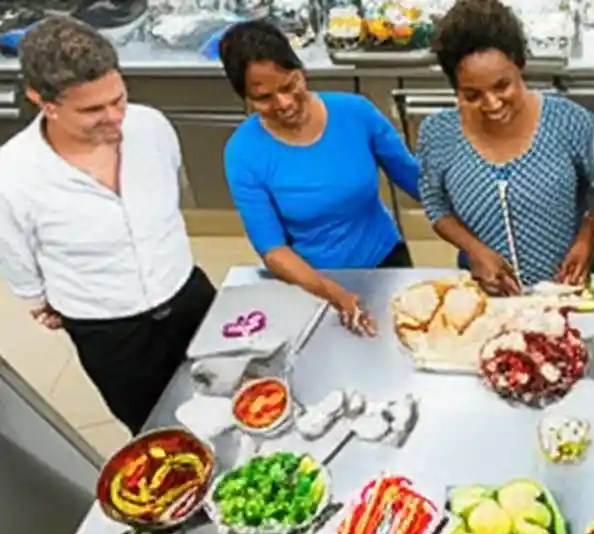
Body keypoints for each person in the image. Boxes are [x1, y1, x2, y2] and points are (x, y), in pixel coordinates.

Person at [0, 17, 213, 435]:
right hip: (112, 333)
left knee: (237, 396)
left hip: (186, 294)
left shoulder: (150, 126)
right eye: (93, 110)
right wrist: (47, 298)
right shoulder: (13, 176)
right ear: (45, 102)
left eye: (118, 99)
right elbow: (17, 261)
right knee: (162, 434)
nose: (115, 117)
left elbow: (172, 193)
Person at [219, 20, 420, 336]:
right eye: (264, 98)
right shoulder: (243, 153)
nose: (283, 104)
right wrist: (333, 293)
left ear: (301, 70)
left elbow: (417, 181)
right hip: (309, 280)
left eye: (289, 85)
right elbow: (273, 250)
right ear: (245, 98)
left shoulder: (356, 113)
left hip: (384, 261)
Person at [417, 0, 594, 295]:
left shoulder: (569, 123)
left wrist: (587, 238)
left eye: (502, 86)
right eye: (472, 95)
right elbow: (436, 205)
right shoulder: (438, 135)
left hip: (563, 293)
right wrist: (474, 250)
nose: (492, 104)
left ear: (520, 66)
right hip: (486, 297)